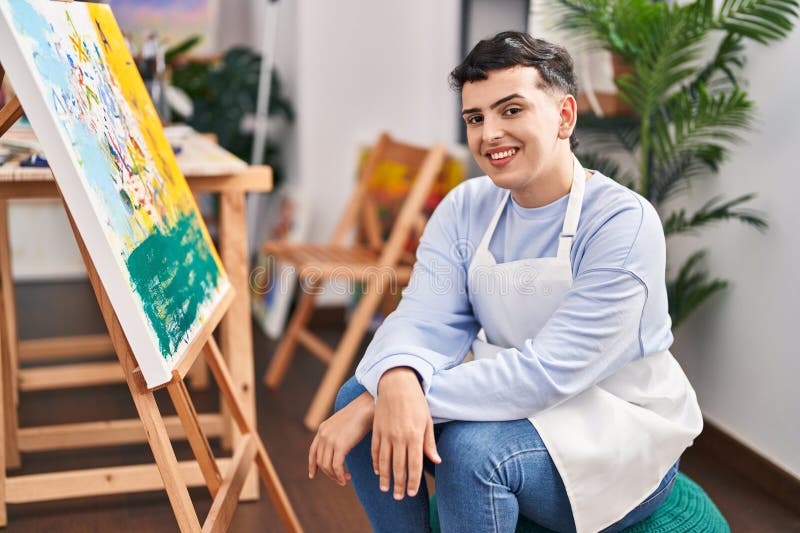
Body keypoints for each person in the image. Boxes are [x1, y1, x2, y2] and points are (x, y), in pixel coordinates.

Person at [308, 31, 703, 533]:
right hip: (516, 405)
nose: (489, 133)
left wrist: (390, 398)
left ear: (564, 116)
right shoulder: (466, 207)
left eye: (510, 110)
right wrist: (395, 380)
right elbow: (424, 317)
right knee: (359, 395)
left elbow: (550, 372)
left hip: (614, 428)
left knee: (469, 451)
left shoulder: (622, 222)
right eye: (475, 118)